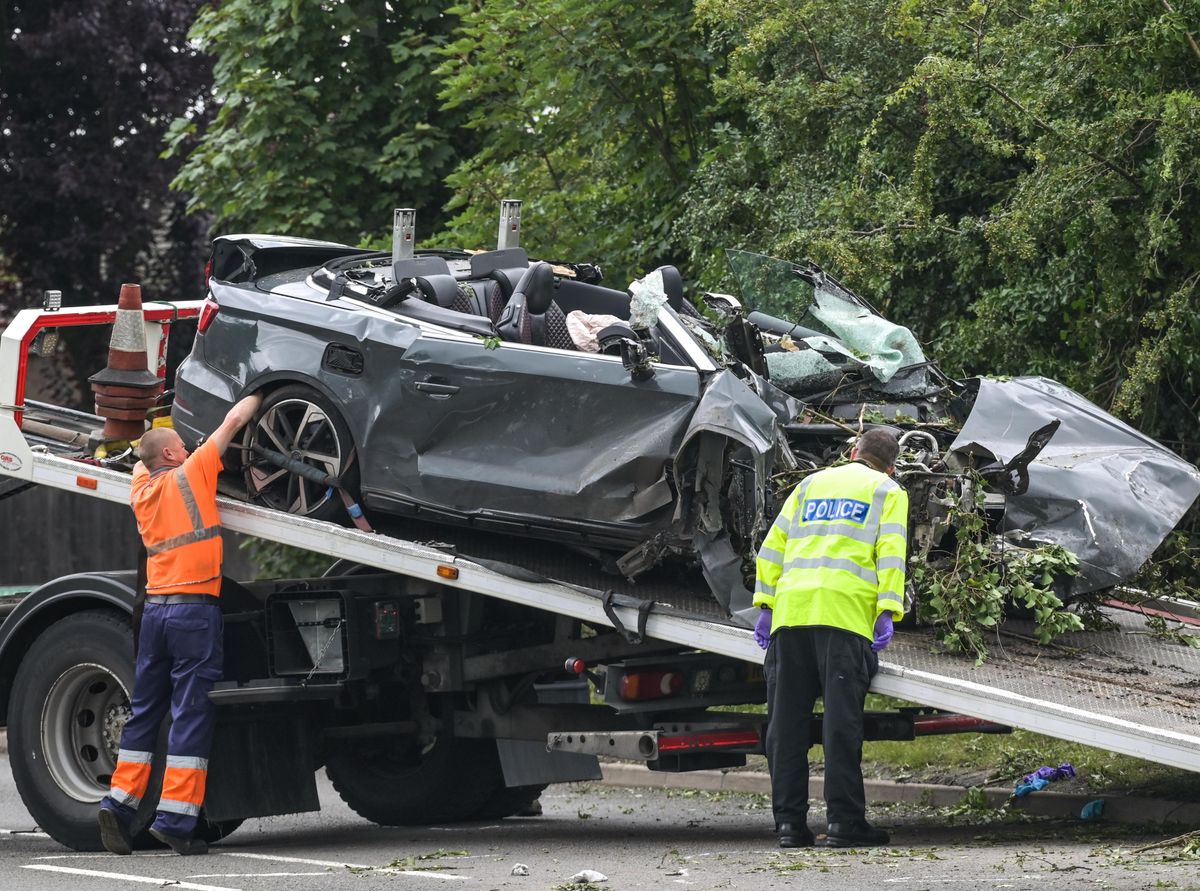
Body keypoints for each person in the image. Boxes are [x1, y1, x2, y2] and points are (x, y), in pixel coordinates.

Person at [98, 392, 262, 856]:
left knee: (146, 708)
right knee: (190, 710)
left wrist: (144, 434)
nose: (190, 449)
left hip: (156, 612)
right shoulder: (193, 474)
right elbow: (234, 420)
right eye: (182, 446)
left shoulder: (141, 491)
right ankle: (174, 820)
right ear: (171, 454)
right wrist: (259, 391)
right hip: (194, 610)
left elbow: (138, 458)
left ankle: (119, 804)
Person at [753, 428, 908, 849]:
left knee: (785, 727)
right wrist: (887, 611)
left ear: (852, 452)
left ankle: (789, 826)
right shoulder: (887, 490)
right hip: (844, 617)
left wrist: (766, 603)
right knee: (841, 727)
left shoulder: (810, 483)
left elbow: (773, 546)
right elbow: (891, 554)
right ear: (891, 465)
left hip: (791, 615)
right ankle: (844, 823)